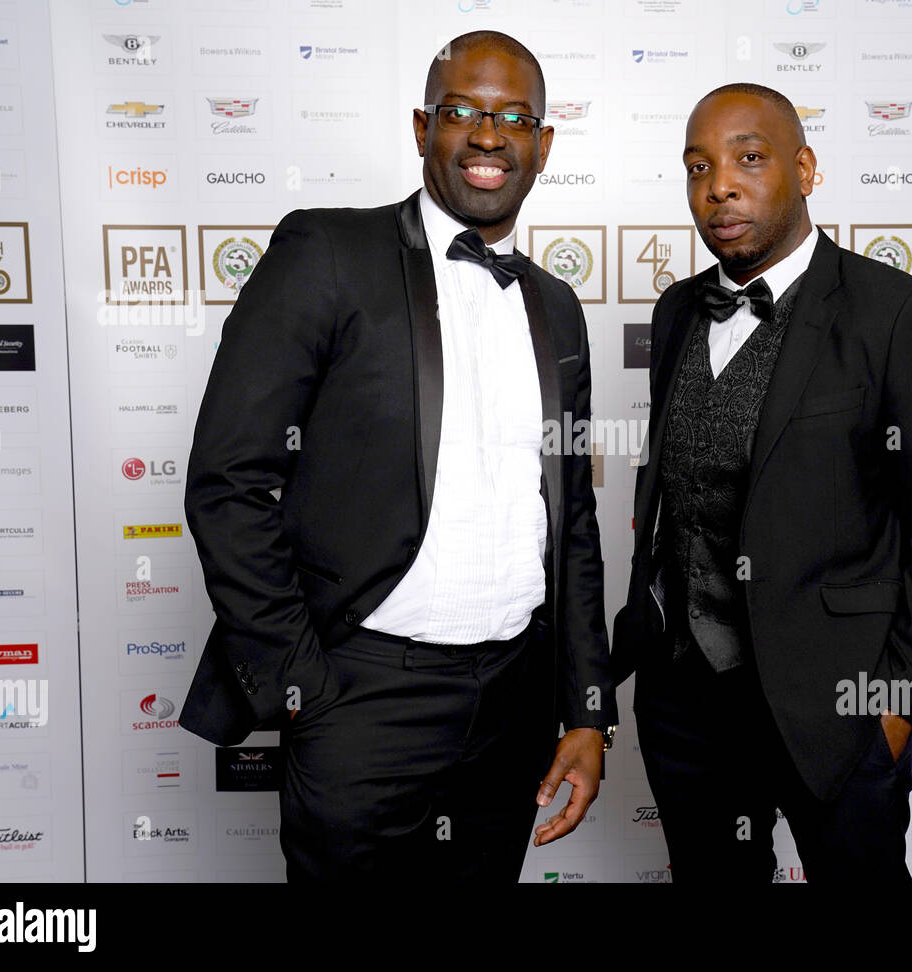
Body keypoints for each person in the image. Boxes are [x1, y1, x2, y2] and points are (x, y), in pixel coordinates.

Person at [179, 30, 618, 883]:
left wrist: (585, 708)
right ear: (423, 129)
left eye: (514, 118)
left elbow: (571, 522)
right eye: (462, 111)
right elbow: (228, 482)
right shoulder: (328, 255)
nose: (489, 136)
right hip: (364, 697)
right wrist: (304, 684)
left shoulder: (557, 308)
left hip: (513, 702)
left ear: (543, 145)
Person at [611, 82, 912, 884]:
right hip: (686, 707)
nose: (720, 186)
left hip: (835, 707)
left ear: (805, 168)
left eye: (749, 158)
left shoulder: (898, 316)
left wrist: (893, 708)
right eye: (698, 166)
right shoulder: (678, 311)